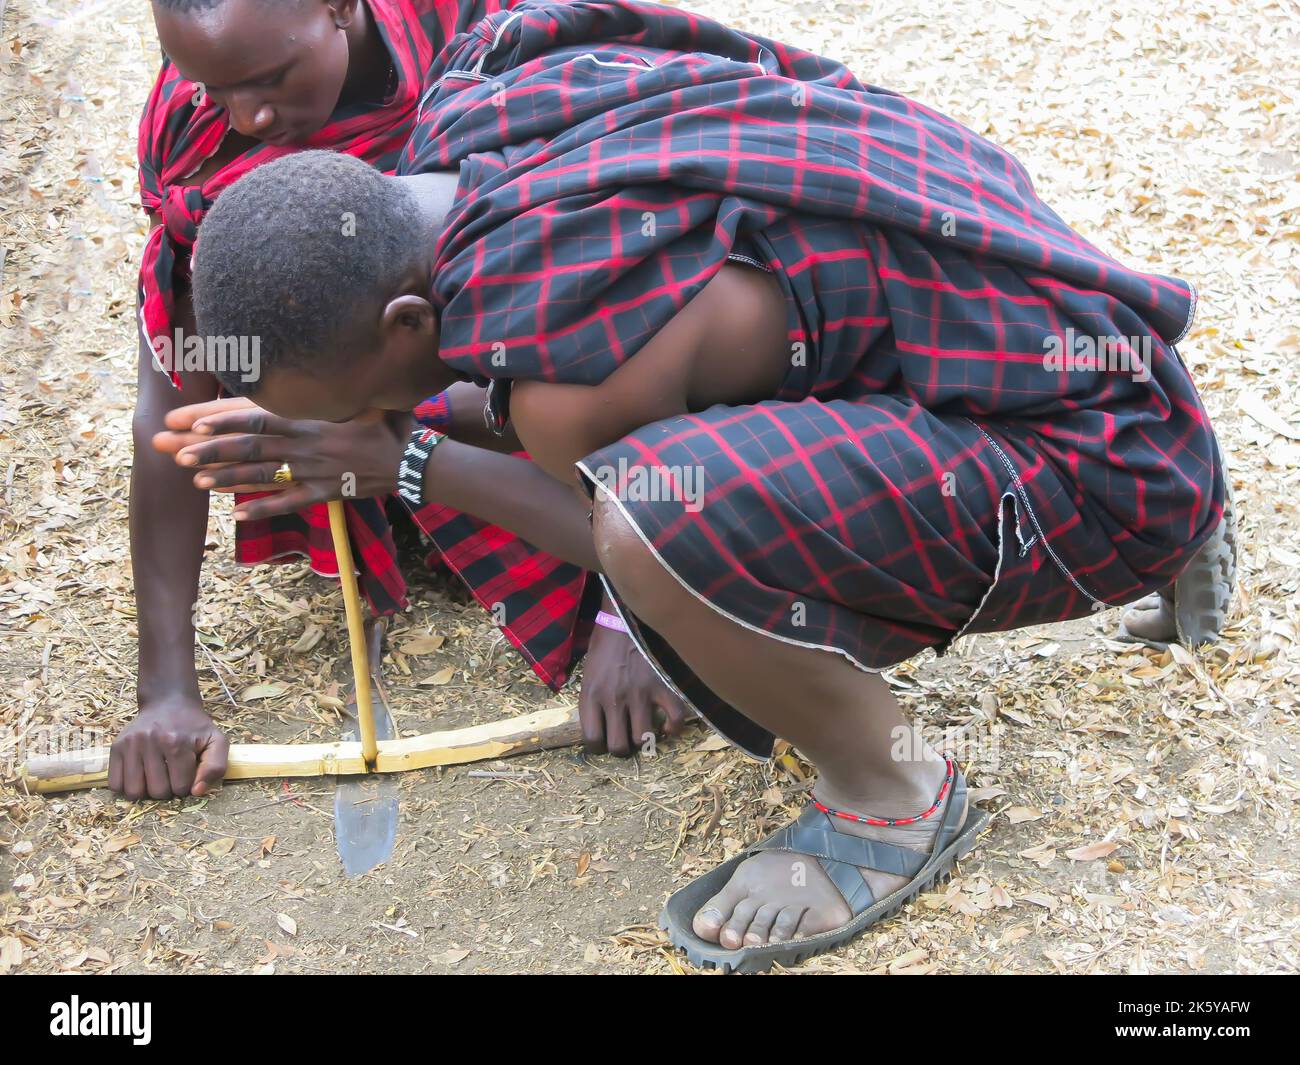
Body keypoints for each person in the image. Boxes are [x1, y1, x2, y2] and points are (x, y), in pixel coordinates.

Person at [183, 0, 1226, 970]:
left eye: (353, 396)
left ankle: (892, 792)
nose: (359, 417)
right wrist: (393, 424)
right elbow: (582, 370)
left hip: (1105, 467)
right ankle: (1183, 496)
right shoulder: (492, 93)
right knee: (666, 482)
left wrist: (399, 460)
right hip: (1088, 340)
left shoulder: (566, 380)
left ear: (408, 327)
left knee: (652, 519)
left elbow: (629, 537)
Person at [116, 0, 684, 803]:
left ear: (342, 6)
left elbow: (645, 311)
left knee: (570, 431)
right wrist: (166, 689)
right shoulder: (200, 132)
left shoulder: (489, 43)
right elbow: (175, 397)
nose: (253, 116)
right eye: (217, 89)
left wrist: (640, 616)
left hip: (536, 401)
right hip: (392, 395)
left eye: (271, 78)